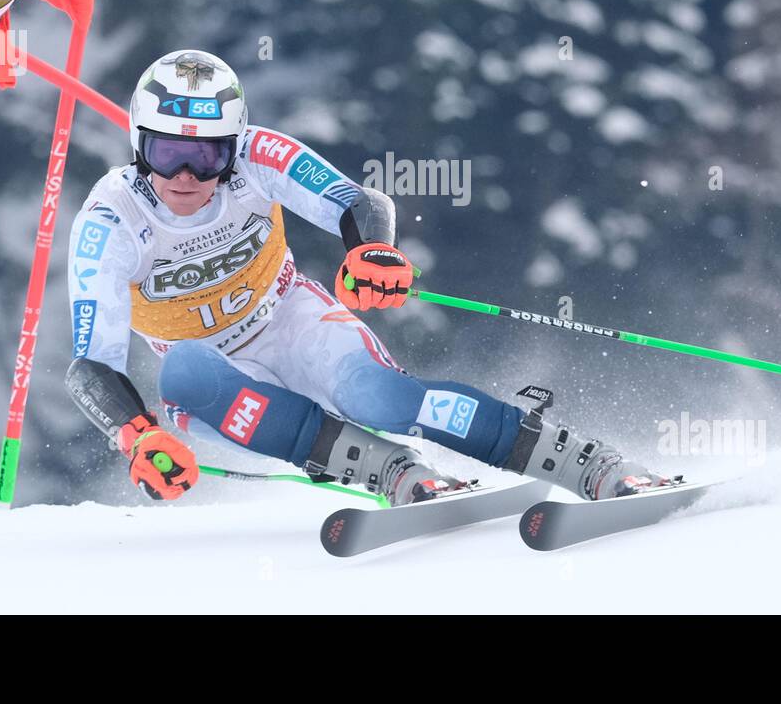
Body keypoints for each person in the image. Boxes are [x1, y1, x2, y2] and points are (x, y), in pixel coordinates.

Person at [64, 49, 673, 505]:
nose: (189, 175)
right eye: (170, 152)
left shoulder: (258, 156)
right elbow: (93, 363)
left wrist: (371, 252)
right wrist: (135, 434)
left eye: (210, 155)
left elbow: (357, 203)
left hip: (291, 318)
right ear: (139, 145)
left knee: (375, 397)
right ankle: (390, 471)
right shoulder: (111, 221)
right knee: (184, 372)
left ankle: (585, 463)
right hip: (218, 379)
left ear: (235, 145)